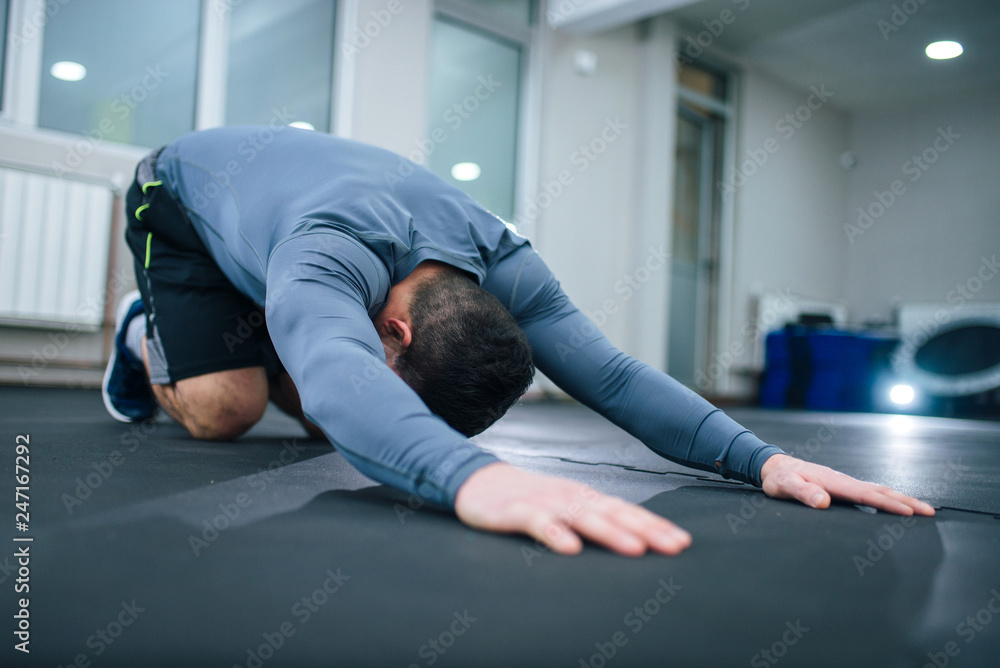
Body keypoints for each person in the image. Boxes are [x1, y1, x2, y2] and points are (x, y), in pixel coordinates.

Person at [103, 125, 935, 558]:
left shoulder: (502, 263)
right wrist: (469, 480)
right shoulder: (327, 250)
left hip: (281, 235)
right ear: (395, 331)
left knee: (343, 425)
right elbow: (332, 375)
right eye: (387, 361)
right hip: (181, 204)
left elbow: (610, 375)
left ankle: (252, 333)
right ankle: (149, 337)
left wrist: (762, 458)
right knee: (226, 409)